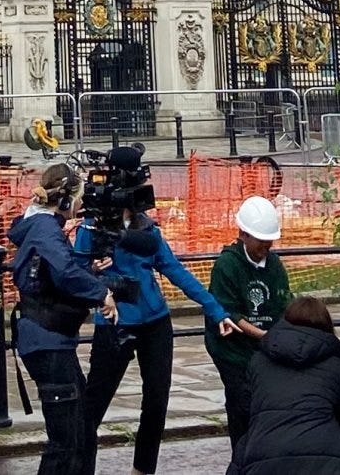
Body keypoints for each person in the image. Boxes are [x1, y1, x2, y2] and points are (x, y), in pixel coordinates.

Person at [77, 146, 236, 475]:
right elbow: (74, 271)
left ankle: (143, 470)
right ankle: (78, 467)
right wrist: (94, 270)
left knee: (156, 402)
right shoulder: (91, 226)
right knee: (94, 404)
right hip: (114, 324)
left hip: (155, 324)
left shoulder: (146, 226)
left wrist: (215, 310)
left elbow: (176, 271)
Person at [8, 162, 118, 475]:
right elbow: (65, 272)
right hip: (47, 339)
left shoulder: (40, 224)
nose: (84, 204)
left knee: (82, 433)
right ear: (66, 199)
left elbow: (54, 271)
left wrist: (92, 271)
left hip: (48, 339)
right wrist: (101, 294)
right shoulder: (45, 228)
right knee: (67, 441)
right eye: (81, 196)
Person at [240, 297, 340, 475]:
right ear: (327, 326)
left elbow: (245, 410)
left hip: (263, 457)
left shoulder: (258, 362)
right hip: (325, 462)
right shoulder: (333, 366)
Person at [206, 194, 292, 458]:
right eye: (261, 241)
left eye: (269, 241)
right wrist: (264, 336)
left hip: (264, 347)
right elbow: (231, 314)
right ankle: (243, 458)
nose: (266, 246)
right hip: (232, 350)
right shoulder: (227, 265)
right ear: (244, 235)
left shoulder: (274, 266)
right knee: (242, 403)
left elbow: (282, 305)